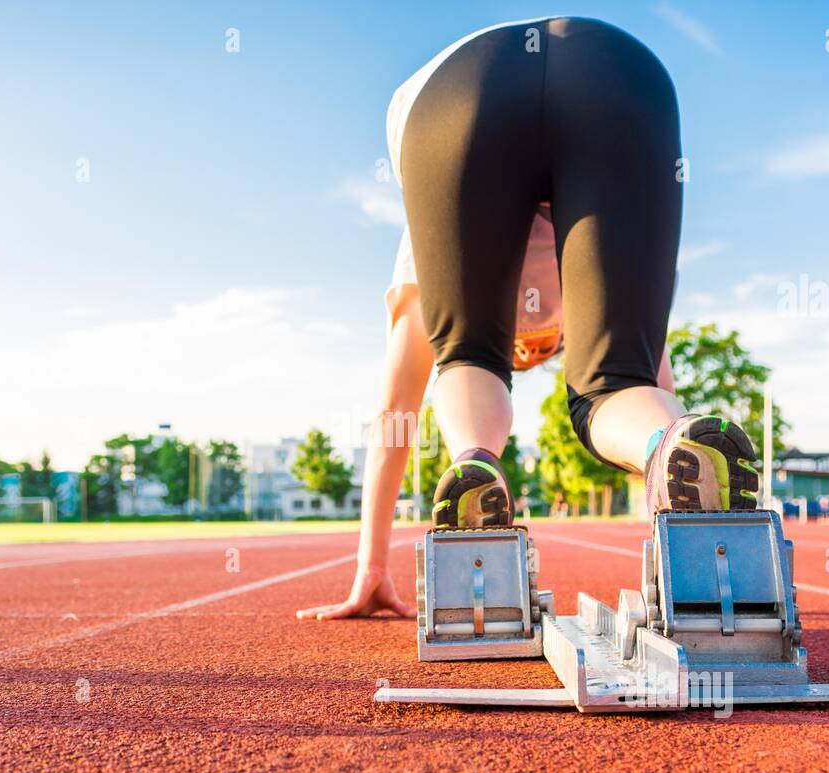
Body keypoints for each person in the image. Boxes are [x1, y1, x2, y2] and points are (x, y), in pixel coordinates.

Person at [296, 16, 758, 623]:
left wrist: (372, 568)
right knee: (617, 386)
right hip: (620, 70)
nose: (529, 354)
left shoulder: (428, 261)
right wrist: (665, 457)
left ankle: (475, 457)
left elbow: (394, 419)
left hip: (458, 89)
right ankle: (652, 443)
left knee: (466, 359)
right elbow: (657, 391)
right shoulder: (587, 299)